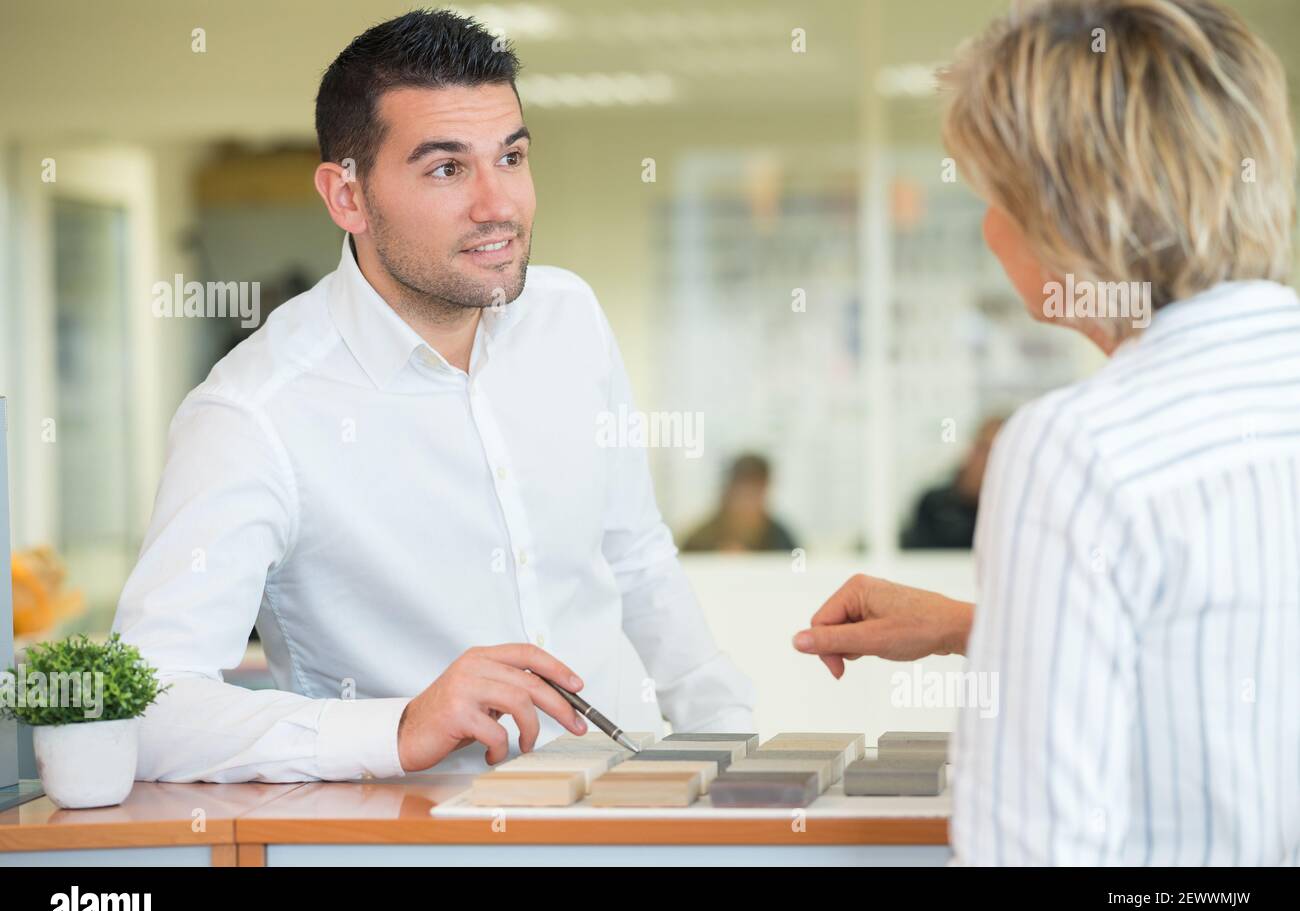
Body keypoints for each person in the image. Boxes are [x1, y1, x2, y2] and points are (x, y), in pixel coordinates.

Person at [112, 10, 754, 782]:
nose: (498, 205)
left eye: (511, 157)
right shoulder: (253, 414)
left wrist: (733, 741)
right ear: (346, 196)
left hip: (631, 816)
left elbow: (637, 558)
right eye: (447, 169)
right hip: (425, 845)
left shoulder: (568, 317)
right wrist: (402, 725)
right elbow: (145, 709)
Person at [794, 0, 1299, 865]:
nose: (990, 232)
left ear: (1069, 215)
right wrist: (977, 626)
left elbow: (1033, 849)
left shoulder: (1079, 446)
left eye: (992, 198)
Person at [900, 417, 1004, 549]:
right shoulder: (934, 503)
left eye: (997, 452)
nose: (988, 460)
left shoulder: (1006, 508)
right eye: (984, 449)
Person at [682, 454, 798, 553]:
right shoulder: (699, 540)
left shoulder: (781, 538)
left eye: (756, 492)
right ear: (729, 492)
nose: (749, 502)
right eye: (744, 492)